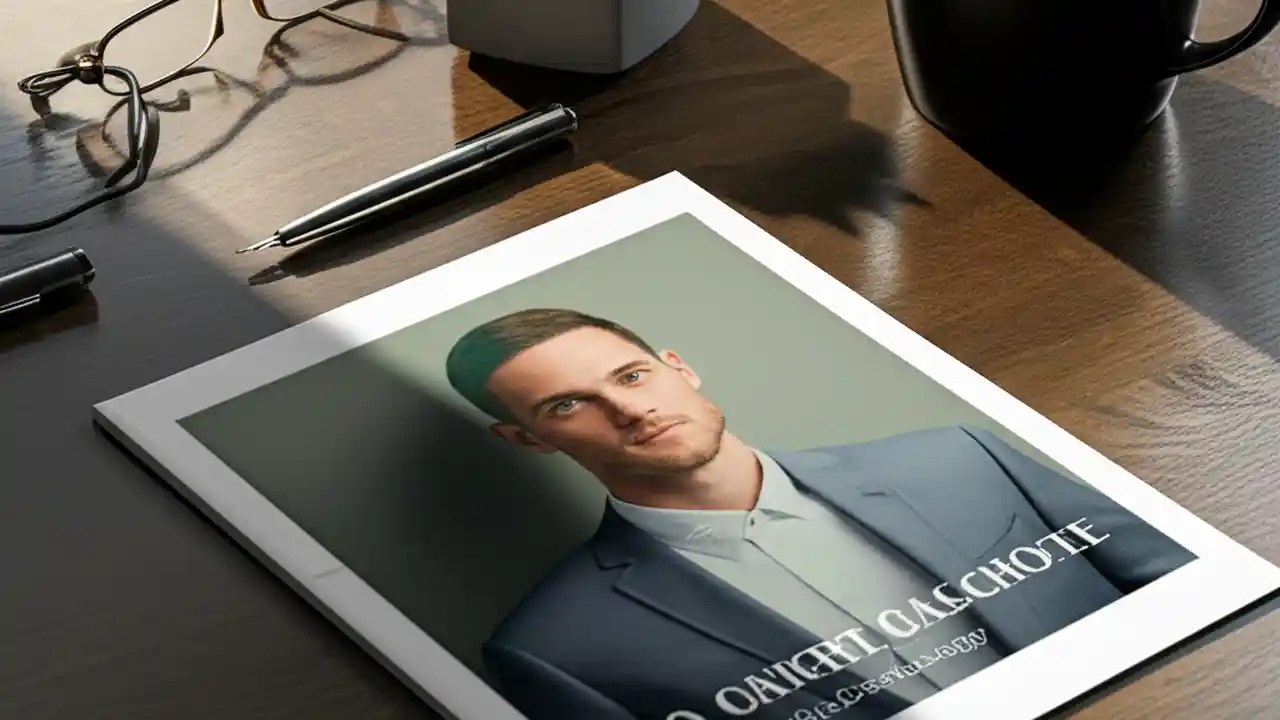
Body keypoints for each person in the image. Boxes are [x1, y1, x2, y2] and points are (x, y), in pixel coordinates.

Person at [444, 308, 1195, 720]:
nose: (629, 409)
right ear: (527, 439)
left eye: (633, 375)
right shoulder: (552, 650)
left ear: (679, 369)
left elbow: (1197, 589)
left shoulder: (959, 457)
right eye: (568, 405)